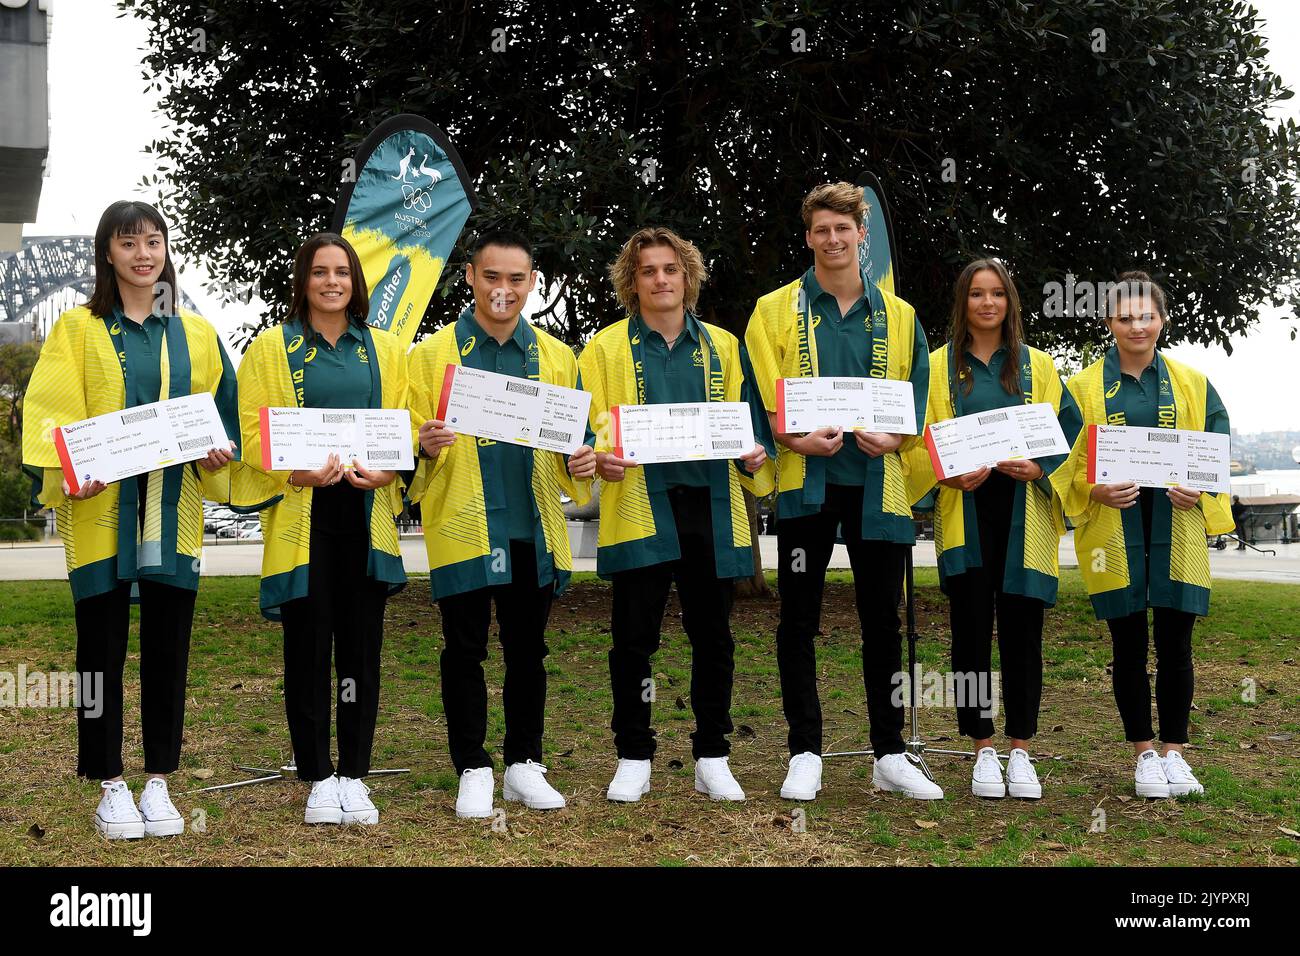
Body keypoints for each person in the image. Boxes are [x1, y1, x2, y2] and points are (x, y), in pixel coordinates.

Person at [21, 200, 251, 838]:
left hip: (171, 512)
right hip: (100, 511)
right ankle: (109, 783)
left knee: (168, 650)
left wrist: (219, 450)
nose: (144, 254)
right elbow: (50, 411)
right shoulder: (78, 329)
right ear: (108, 254)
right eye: (128, 243)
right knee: (99, 652)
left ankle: (157, 781)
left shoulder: (197, 334)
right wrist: (70, 467)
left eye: (154, 241)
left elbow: (224, 412)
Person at [745, 182, 935, 801]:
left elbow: (919, 401)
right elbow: (753, 394)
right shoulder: (773, 311)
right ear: (809, 237)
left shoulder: (901, 316)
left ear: (861, 235)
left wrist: (899, 438)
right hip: (807, 485)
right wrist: (787, 438)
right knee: (798, 620)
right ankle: (804, 750)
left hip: (877, 489)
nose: (833, 239)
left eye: (843, 229)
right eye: (821, 230)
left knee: (882, 620)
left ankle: (890, 753)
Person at [579, 227, 774, 803]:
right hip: (642, 506)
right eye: (648, 271)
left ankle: (713, 753)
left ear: (687, 276)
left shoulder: (723, 344)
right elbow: (588, 425)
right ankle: (633, 753)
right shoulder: (604, 349)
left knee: (713, 637)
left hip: (710, 509)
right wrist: (600, 454)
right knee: (633, 641)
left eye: (670, 269)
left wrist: (754, 452)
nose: (660, 279)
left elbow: (750, 420)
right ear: (631, 281)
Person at [406, 230, 595, 819]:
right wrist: (424, 445)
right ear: (470, 277)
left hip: (532, 527)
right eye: (492, 277)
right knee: (463, 650)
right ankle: (471, 765)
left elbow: (574, 449)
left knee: (528, 651)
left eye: (517, 279)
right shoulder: (431, 356)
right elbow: (406, 447)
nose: (503, 290)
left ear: (532, 283)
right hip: (464, 525)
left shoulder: (557, 357)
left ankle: (524, 763)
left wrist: (582, 459)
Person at [238, 233, 415, 826]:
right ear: (304, 281)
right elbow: (254, 429)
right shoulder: (272, 348)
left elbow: (405, 425)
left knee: (361, 652)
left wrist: (391, 466)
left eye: (342, 272)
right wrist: (296, 471)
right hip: (303, 518)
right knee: (308, 651)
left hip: (365, 518)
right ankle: (316, 776)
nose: (332, 282)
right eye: (320, 272)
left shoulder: (386, 349)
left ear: (355, 282)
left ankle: (355, 775)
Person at [905, 259, 1081, 799]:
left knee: (1025, 635)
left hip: (1024, 511)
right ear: (963, 303)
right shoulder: (936, 368)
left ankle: (1021, 748)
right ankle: (981, 746)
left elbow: (1068, 430)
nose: (987, 303)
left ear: (1010, 302)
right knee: (970, 633)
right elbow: (915, 436)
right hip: (966, 511)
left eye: (997, 294)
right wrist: (945, 473)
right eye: (977, 294)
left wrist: (1043, 467)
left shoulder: (1039, 367)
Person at [1063, 271, 1233, 798]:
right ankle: (1142, 754)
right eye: (1125, 316)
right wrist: (1093, 492)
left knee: (1177, 644)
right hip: (1116, 532)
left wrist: (1201, 493)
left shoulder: (1192, 384)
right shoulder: (1083, 387)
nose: (1138, 325)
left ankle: (1176, 753)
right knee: (1129, 644)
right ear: (1109, 321)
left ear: (1162, 319)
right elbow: (1064, 460)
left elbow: (1216, 449)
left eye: (1148, 315)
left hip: (1177, 526)